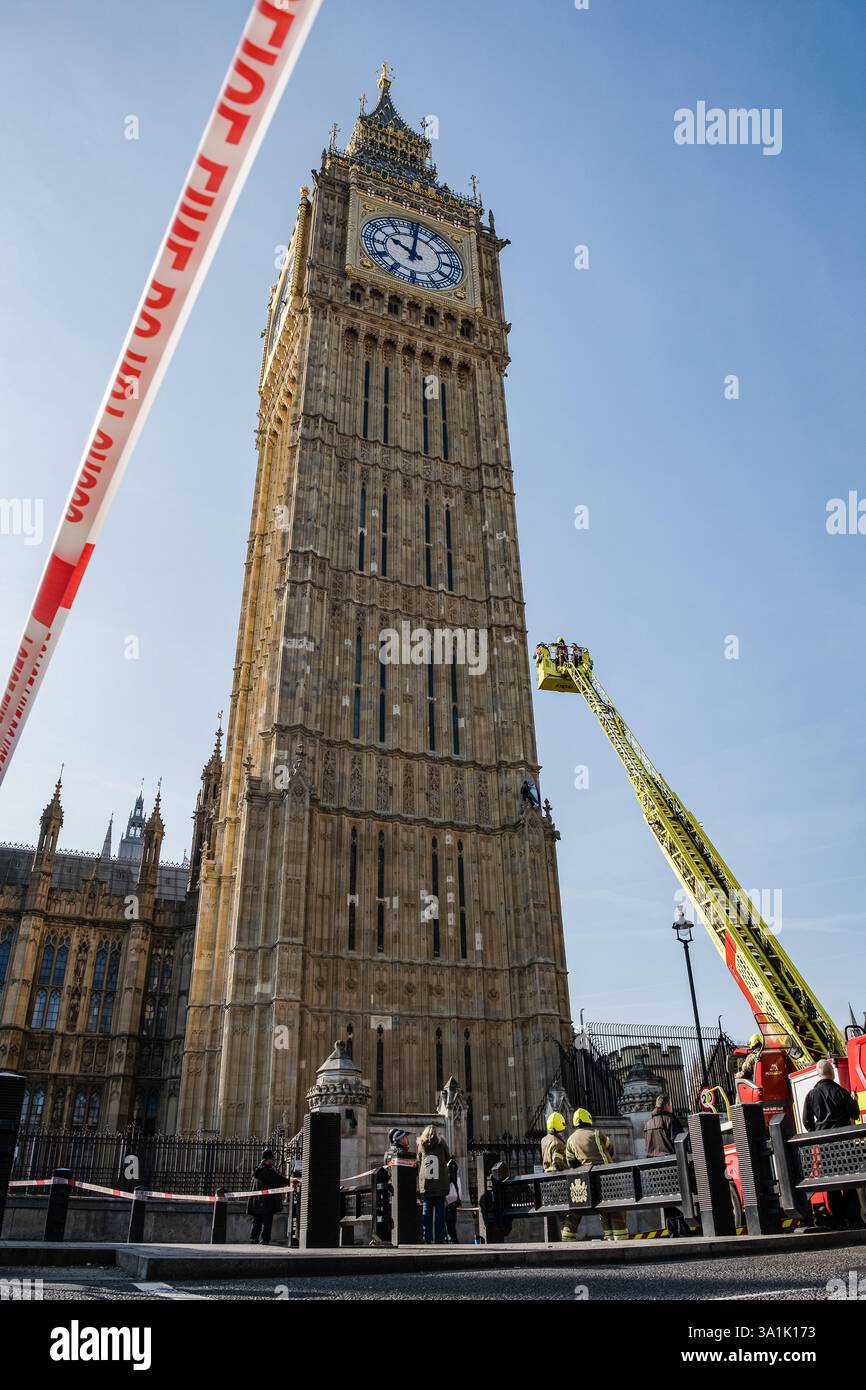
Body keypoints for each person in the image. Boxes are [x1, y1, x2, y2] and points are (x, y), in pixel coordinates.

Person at [803, 1059, 863, 1230]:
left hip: (825, 1146)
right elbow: (855, 1114)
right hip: (845, 1144)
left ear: (818, 1074)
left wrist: (817, 1131)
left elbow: (806, 1121)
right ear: (832, 1073)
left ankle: (838, 1219)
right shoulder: (842, 1092)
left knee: (832, 1183)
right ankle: (853, 1219)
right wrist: (854, 1100)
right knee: (849, 1181)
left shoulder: (811, 1095)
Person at [566, 1108, 628, 1241]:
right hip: (607, 1174)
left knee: (603, 1208)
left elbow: (571, 1162)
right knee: (616, 1206)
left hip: (588, 1178)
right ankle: (620, 1238)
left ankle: (608, 1236)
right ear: (588, 1119)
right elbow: (611, 1149)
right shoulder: (596, 1133)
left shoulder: (570, 1140)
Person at [643, 1094, 692, 1237]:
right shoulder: (670, 1120)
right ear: (667, 1105)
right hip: (672, 1165)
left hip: (656, 1167)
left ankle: (672, 1232)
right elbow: (680, 1143)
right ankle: (683, 1230)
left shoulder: (648, 1124)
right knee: (680, 1198)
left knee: (666, 1200)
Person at [542, 1111, 581, 1241]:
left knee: (561, 1212)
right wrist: (569, 1169)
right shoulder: (558, 1143)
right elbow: (557, 1163)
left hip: (547, 1181)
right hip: (559, 1181)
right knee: (577, 1206)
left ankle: (565, 1235)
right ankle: (568, 1235)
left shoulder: (544, 1140)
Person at [416, 1124, 451, 1244]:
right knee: (440, 1212)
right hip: (440, 1182)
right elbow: (448, 1157)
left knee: (426, 1210)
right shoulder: (442, 1143)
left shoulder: (421, 1144)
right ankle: (439, 1239)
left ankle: (427, 1238)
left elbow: (419, 1161)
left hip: (427, 1182)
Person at [247, 1148, 285, 1246]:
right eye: (272, 1159)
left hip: (256, 1202)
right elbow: (279, 1180)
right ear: (267, 1160)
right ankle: (265, 1241)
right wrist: (292, 1181)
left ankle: (253, 1239)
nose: (273, 1161)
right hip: (266, 1203)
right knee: (267, 1223)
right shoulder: (267, 1171)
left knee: (256, 1222)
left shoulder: (257, 1171)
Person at [445, 1154, 462, 1243]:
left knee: (450, 1218)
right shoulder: (451, 1163)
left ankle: (452, 1238)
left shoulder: (450, 1163)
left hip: (450, 1195)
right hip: (451, 1196)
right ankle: (452, 1238)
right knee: (450, 1218)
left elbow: (453, 1180)